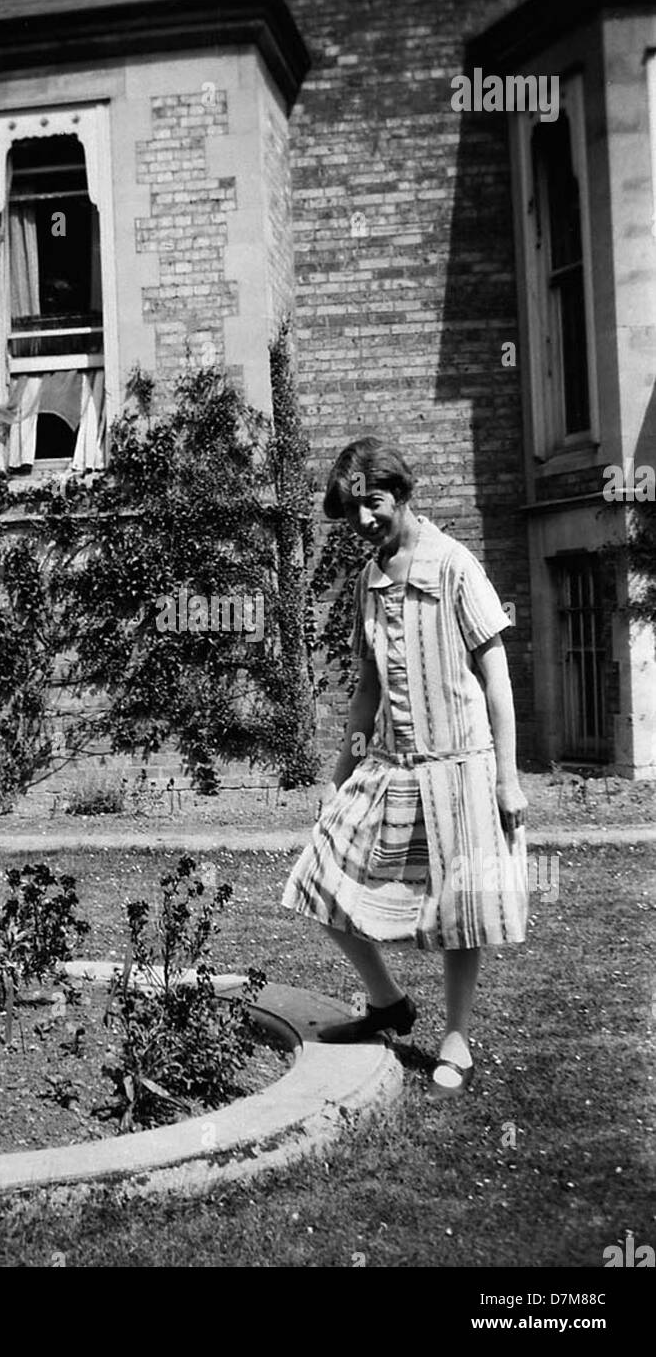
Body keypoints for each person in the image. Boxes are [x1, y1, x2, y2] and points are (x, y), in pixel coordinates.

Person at [281, 438, 528, 1098]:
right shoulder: (367, 579)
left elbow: (495, 676)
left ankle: (455, 1037)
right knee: (320, 876)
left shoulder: (453, 566)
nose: (363, 520)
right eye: (352, 510)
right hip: (389, 766)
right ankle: (386, 1004)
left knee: (458, 909)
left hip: (459, 767)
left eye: (372, 503)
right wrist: (339, 771)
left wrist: (506, 776)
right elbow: (365, 687)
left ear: (400, 491)